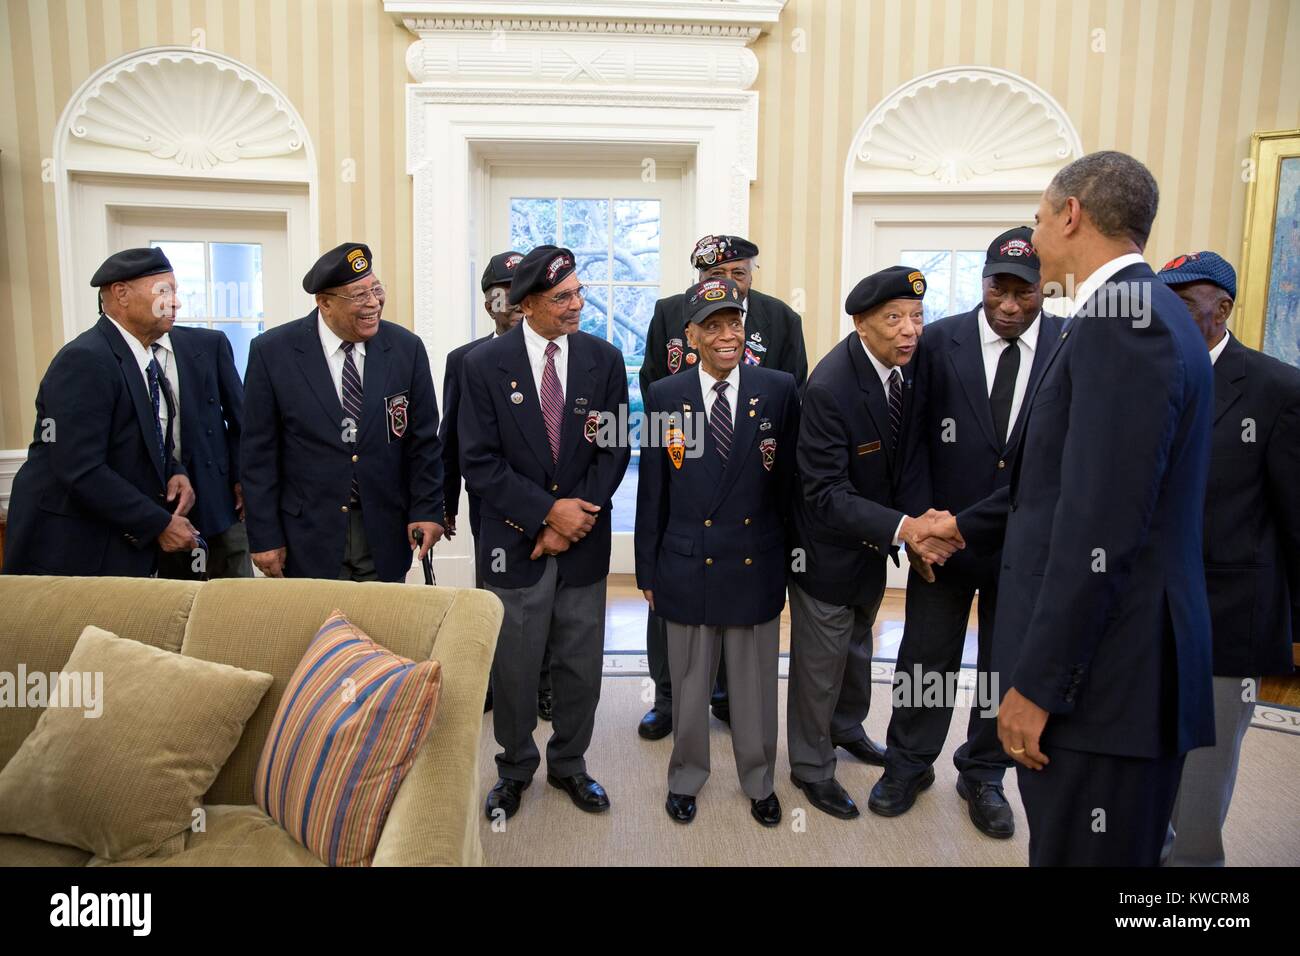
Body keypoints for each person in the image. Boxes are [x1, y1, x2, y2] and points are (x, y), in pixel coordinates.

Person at [945, 151, 1215, 866]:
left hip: (1105, 688)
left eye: (1037, 219)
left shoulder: (1126, 324)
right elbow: (1058, 486)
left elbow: (1101, 528)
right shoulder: (1137, 312)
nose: (1031, 241)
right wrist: (960, 524)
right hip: (1115, 678)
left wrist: (1038, 687)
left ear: (1072, 214)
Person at [878, 228, 1063, 837]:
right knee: (927, 657)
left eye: (1023, 292)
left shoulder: (1069, 345)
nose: (1008, 304)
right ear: (983, 282)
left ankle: (983, 771)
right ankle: (908, 762)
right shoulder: (940, 341)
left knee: (1002, 664)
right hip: (944, 540)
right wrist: (920, 528)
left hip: (1026, 543)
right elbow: (912, 445)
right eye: (996, 288)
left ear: (1044, 289)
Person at [458, 245, 630, 821]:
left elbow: (614, 448)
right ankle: (513, 768)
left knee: (580, 666)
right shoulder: (484, 365)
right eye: (563, 297)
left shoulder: (604, 360)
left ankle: (571, 765)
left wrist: (571, 519)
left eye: (579, 293)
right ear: (527, 303)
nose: (577, 304)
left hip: (582, 542)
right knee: (514, 665)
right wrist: (545, 515)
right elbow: (478, 462)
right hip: (513, 545)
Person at [786, 266, 963, 821]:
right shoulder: (830, 386)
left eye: (916, 316)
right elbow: (825, 494)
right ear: (862, 323)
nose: (910, 330)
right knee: (821, 664)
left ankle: (847, 728)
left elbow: (904, 461)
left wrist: (913, 530)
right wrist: (908, 529)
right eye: (894, 319)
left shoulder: (904, 371)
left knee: (859, 645)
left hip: (872, 545)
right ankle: (812, 767)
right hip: (827, 548)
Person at [635, 277, 800, 827]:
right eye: (713, 326)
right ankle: (685, 777)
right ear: (692, 334)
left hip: (755, 559)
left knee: (754, 689)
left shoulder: (777, 389)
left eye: (734, 323)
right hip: (686, 563)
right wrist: (647, 568)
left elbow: (790, 488)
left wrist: (793, 559)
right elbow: (652, 491)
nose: (726, 335)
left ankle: (758, 780)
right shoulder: (665, 396)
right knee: (687, 686)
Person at [1157, 251, 1300, 866]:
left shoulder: (1277, 389)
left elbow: (1296, 519)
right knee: (1146, 773)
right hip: (1146, 618)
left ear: (1224, 309)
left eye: (1186, 307)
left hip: (1228, 622)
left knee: (1200, 784)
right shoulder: (1148, 376)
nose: (1171, 319)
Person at [241, 242, 444, 582]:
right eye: (359, 295)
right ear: (325, 303)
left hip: (383, 528)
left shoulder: (406, 349)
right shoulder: (272, 352)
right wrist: (264, 536)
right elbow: (257, 455)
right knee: (316, 632)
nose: (373, 303)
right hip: (305, 535)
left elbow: (423, 441)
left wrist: (427, 509)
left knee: (380, 630)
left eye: (376, 290)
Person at [4, 248, 197, 576]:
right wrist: (158, 523)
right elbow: (79, 467)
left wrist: (173, 469)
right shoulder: (85, 360)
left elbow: (139, 437)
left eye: (175, 292)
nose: (175, 302)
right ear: (121, 293)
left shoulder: (144, 359)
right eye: (164, 290)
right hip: (75, 551)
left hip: (116, 545)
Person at [440, 251, 551, 718]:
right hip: (492, 505)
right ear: (489, 302)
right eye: (501, 294)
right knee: (495, 594)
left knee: (548, 595)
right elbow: (450, 439)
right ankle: (499, 679)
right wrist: (443, 502)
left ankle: (542, 682)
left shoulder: (558, 353)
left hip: (550, 502)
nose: (510, 302)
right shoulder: (466, 360)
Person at [153, 323, 252, 579]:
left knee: (234, 596)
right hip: (155, 499)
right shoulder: (114, 356)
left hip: (217, 497)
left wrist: (241, 477)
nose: (172, 301)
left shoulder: (209, 344)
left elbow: (241, 420)